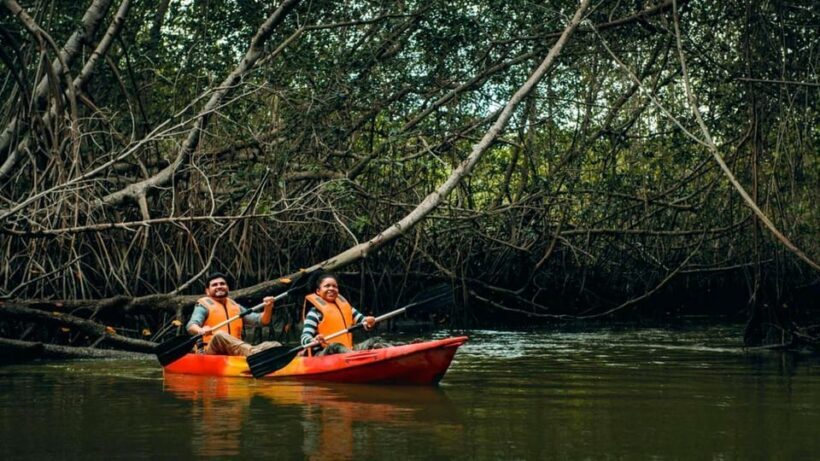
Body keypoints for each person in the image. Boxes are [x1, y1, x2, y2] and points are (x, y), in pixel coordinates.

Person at [186, 272, 281, 356]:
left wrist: (268, 307)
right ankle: (255, 354)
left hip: (234, 349)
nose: (219, 286)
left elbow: (261, 321)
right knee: (219, 335)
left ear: (227, 288)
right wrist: (200, 330)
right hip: (211, 351)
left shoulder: (235, 306)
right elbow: (191, 326)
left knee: (274, 345)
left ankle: (262, 354)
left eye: (222, 284)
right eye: (214, 285)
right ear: (207, 291)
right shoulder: (203, 306)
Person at [300, 272, 385, 356]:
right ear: (318, 291)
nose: (331, 288)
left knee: (375, 340)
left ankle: (395, 352)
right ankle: (355, 357)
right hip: (324, 353)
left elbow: (364, 321)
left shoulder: (347, 308)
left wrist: (369, 322)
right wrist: (313, 340)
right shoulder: (314, 313)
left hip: (347, 350)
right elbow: (304, 337)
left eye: (334, 286)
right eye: (327, 286)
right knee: (335, 346)